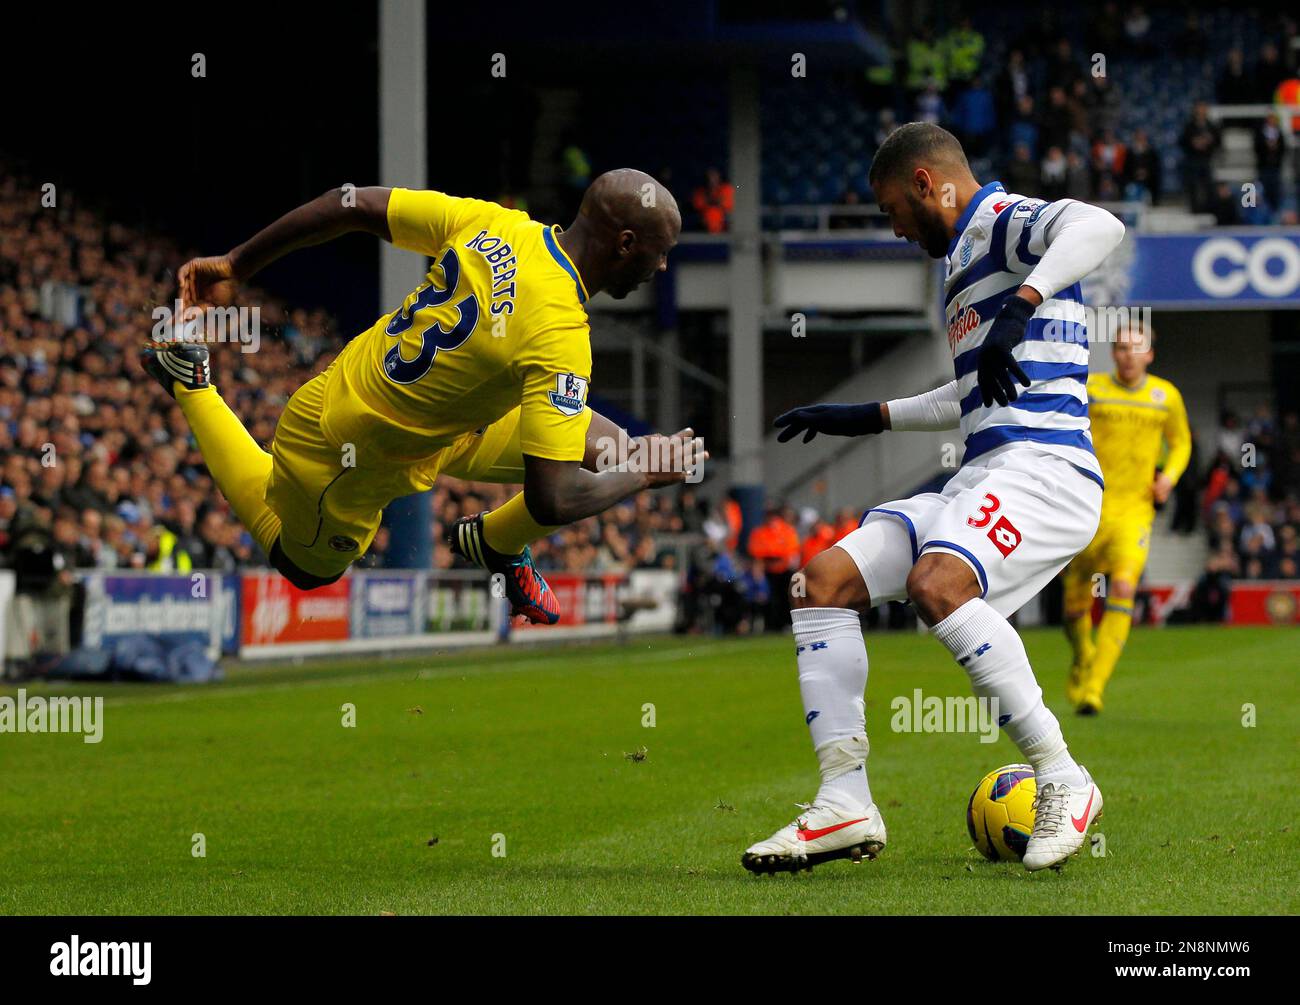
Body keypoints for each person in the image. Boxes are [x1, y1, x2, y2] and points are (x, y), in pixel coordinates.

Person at [745, 122, 1124, 875]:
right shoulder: (956, 265)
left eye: (890, 208)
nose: (891, 226)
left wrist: (1022, 301)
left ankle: (1062, 774)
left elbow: (1100, 224)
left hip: (1047, 470)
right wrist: (868, 415)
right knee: (824, 581)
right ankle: (844, 801)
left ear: (925, 184)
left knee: (937, 585)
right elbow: (980, 385)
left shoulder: (999, 221)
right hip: (986, 473)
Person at [145, 170, 702, 626]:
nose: (662, 267)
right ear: (626, 243)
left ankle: (494, 541)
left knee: (620, 451)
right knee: (306, 567)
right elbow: (553, 499)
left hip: (440, 424)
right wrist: (647, 478)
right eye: (660, 253)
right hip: (342, 454)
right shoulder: (560, 335)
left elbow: (352, 203)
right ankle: (192, 383)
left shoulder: (497, 222)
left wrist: (237, 264)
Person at [1061, 325, 1190, 714]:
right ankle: (1083, 652)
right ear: (1113, 354)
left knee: (1121, 587)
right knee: (1073, 606)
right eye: (1120, 348)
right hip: (1090, 508)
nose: (1128, 355)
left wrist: (1168, 477)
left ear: (1150, 354)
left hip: (1135, 512)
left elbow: (1182, 442)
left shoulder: (1165, 396)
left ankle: (1094, 688)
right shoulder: (1093, 390)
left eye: (1136, 349)